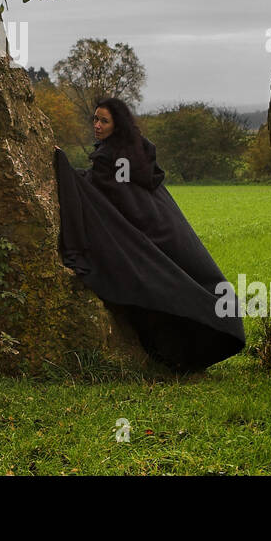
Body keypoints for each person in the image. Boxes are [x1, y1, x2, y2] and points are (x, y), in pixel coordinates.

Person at [53, 97, 246, 373]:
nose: (96, 125)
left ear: (117, 125)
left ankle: (198, 339)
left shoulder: (112, 156)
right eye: (94, 119)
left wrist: (62, 166)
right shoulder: (136, 148)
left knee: (171, 280)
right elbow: (105, 185)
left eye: (103, 120)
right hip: (163, 224)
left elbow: (101, 192)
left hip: (154, 229)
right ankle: (189, 346)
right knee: (180, 278)